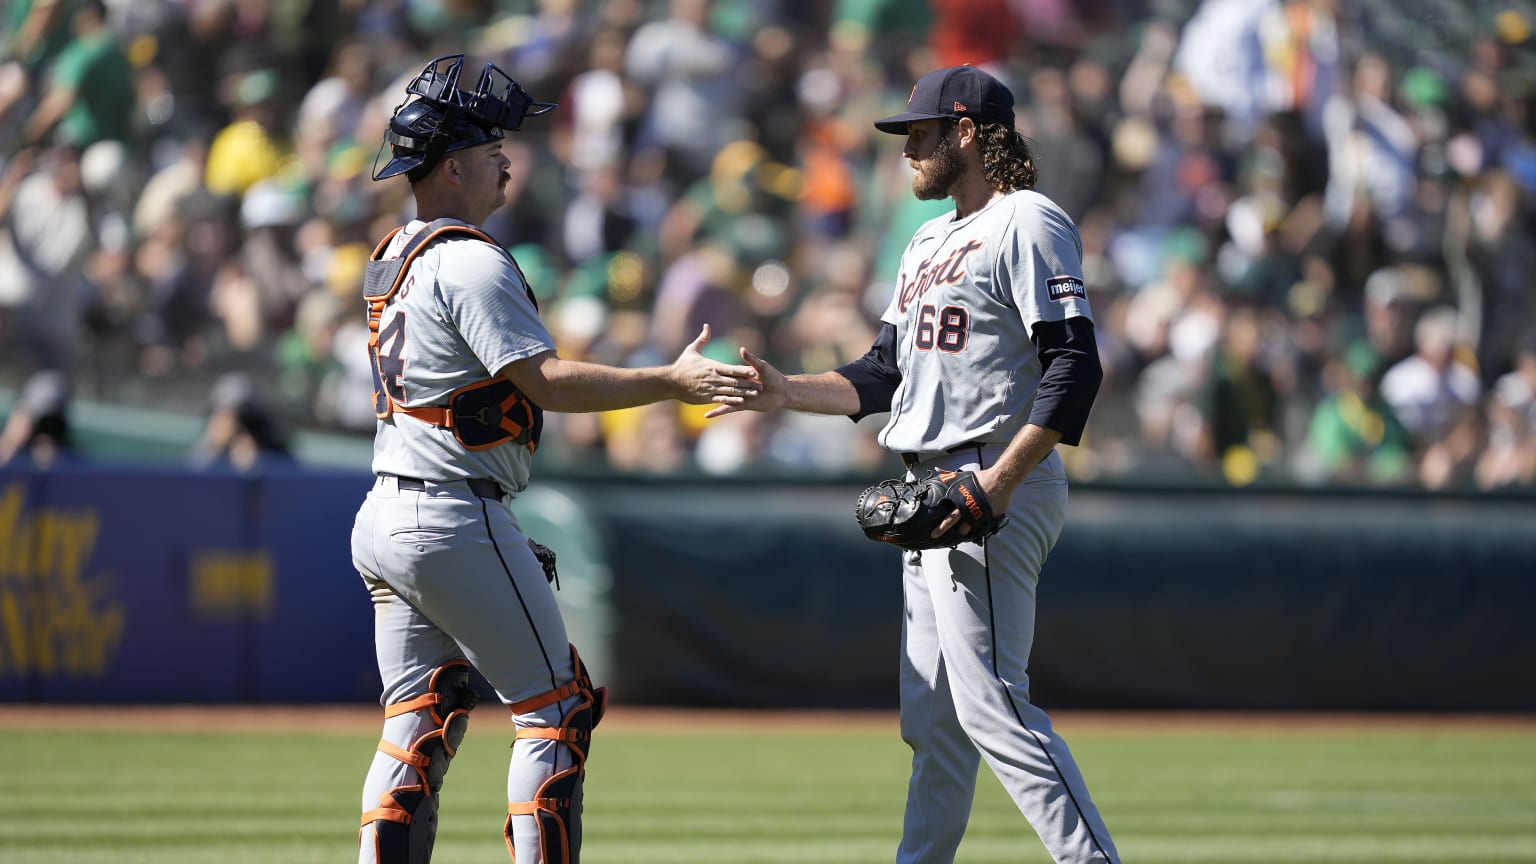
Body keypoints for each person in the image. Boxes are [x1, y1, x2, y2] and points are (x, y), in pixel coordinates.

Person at [349, 54, 758, 864]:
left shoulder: (394, 252)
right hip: (451, 509)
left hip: (389, 510)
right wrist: (669, 381)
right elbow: (547, 383)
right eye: (492, 146)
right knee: (556, 708)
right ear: (454, 164)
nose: (507, 159)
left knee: (416, 721)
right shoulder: (468, 257)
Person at [710, 65, 1119, 863]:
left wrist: (997, 484)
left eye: (921, 134)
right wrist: (786, 389)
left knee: (993, 705)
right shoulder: (927, 239)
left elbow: (1076, 366)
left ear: (967, 131)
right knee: (933, 721)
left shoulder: (1028, 221)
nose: (909, 151)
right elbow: (882, 374)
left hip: (991, 474)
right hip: (929, 482)